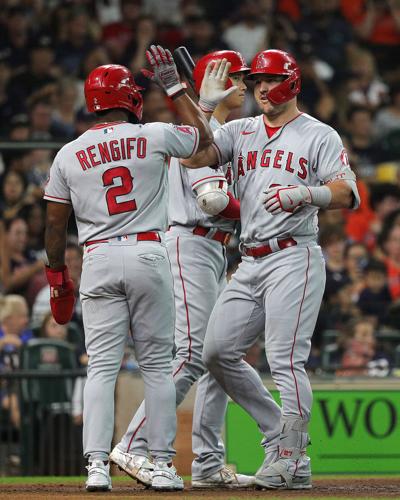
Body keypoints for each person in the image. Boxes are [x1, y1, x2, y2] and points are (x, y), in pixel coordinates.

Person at [42, 45, 229, 492]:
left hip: (98, 256)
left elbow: (53, 222)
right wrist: (176, 87)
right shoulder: (156, 134)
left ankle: (95, 467)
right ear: (131, 98)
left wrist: (56, 274)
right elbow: (204, 140)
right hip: (148, 250)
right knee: (156, 366)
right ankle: (161, 463)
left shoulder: (68, 153)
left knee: (101, 368)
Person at [183, 48, 360, 490]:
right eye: (255, 80)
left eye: (269, 78)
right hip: (249, 258)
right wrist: (202, 106)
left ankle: (290, 456)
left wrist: (308, 194)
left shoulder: (319, 135)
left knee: (285, 360)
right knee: (215, 353)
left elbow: (347, 192)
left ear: (292, 82)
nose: (260, 86)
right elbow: (193, 156)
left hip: (293, 255)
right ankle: (281, 439)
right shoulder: (240, 129)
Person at [111, 50, 254, 489]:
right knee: (191, 355)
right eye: (239, 76)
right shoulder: (205, 133)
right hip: (190, 242)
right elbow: (212, 200)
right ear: (216, 78)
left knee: (218, 357)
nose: (246, 85)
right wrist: (263, 212)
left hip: (212, 249)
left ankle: (209, 464)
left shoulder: (220, 130)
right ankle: (131, 445)